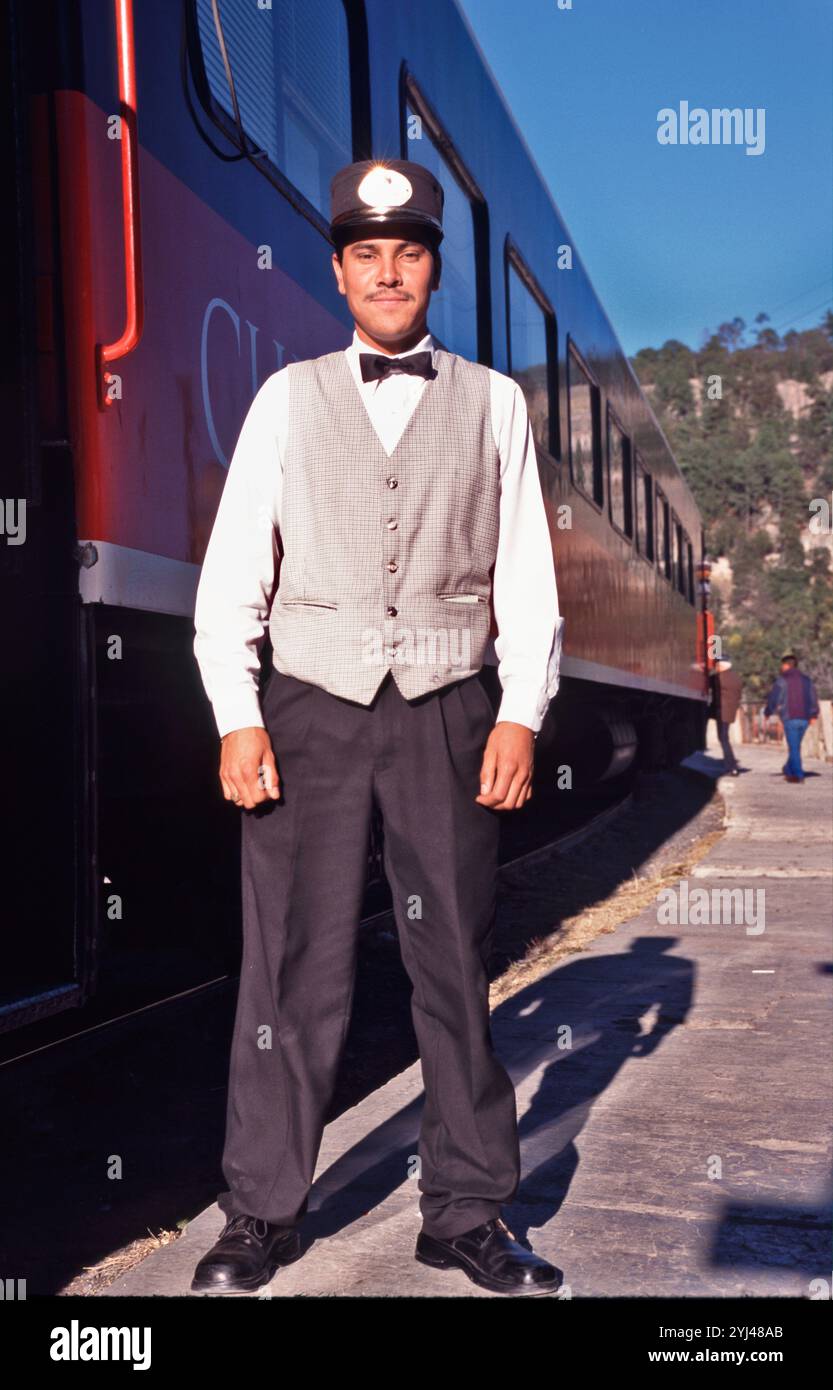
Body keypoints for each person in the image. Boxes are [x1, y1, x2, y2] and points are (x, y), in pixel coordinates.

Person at [190, 159, 565, 1296]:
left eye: (406, 254)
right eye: (366, 254)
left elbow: (527, 580)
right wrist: (235, 713)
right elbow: (232, 575)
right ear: (340, 270)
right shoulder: (285, 399)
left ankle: (463, 1211)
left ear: (431, 271)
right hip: (309, 706)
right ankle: (261, 1209)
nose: (387, 271)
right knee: (291, 964)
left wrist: (518, 711)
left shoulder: (494, 402)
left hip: (449, 707)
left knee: (449, 956)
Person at [763, 650, 820, 783]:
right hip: (805, 719)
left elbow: (774, 699)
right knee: (795, 745)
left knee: (794, 747)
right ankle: (788, 769)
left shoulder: (782, 680)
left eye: (782, 665)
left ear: (787, 666)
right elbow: (813, 698)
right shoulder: (807, 680)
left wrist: (767, 712)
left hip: (790, 718)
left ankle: (797, 775)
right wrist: (814, 714)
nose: (781, 668)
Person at [712, 659, 743, 775]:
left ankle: (731, 766)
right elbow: (739, 695)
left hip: (721, 712)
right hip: (730, 712)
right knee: (725, 738)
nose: (716, 667)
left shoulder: (719, 678)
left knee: (723, 738)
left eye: (718, 665)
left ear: (723, 666)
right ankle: (731, 765)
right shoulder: (737, 678)